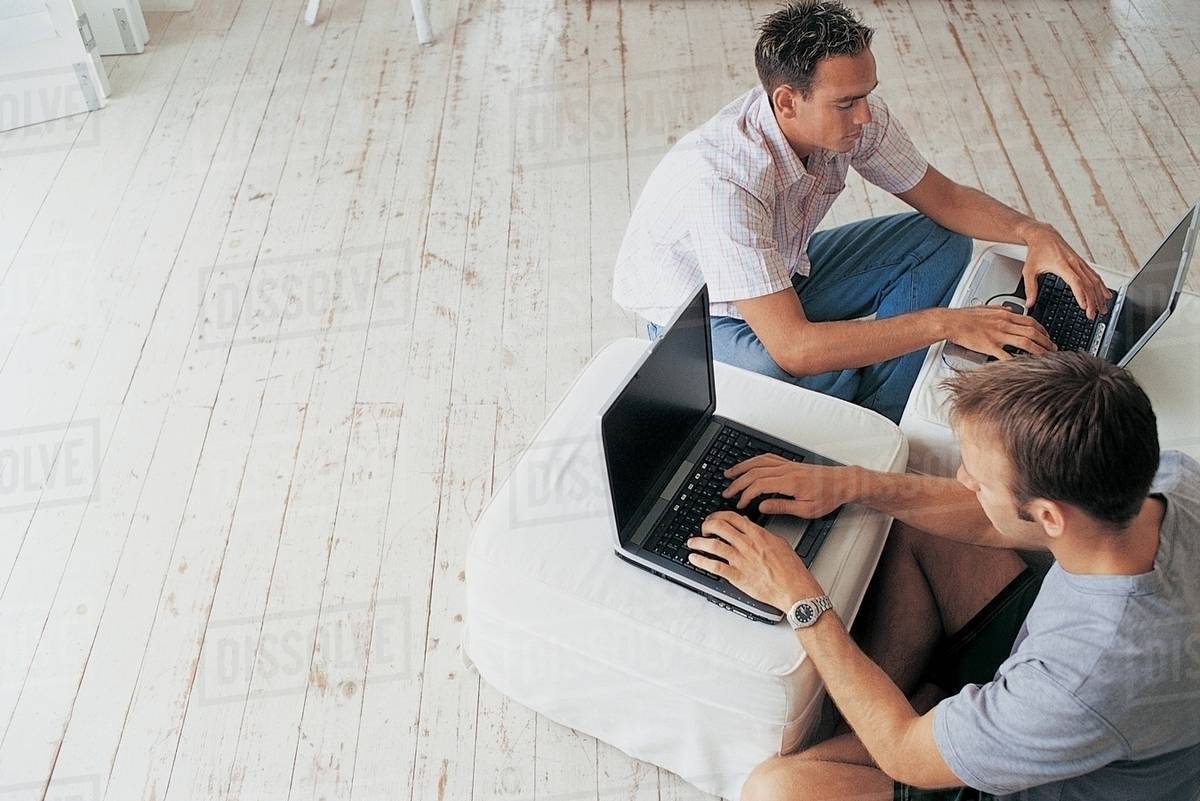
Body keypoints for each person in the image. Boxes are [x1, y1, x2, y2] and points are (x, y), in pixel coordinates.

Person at [683, 352, 1200, 800]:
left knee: (776, 791)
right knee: (914, 527)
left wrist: (799, 598)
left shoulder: (1085, 678)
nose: (963, 478)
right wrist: (848, 483)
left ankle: (921, 724)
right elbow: (989, 520)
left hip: (1045, 785)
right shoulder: (1175, 481)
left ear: (1049, 515)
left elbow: (907, 756)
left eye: (978, 476)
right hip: (1054, 681)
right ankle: (915, 713)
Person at [612, 1, 1111, 423]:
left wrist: (1034, 231)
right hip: (700, 314)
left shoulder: (849, 119)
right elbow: (793, 347)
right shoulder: (724, 180)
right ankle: (864, 401)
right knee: (798, 368)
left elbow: (945, 199)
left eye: (867, 95)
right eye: (847, 103)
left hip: (781, 272)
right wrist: (947, 323)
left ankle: (884, 408)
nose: (867, 116)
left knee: (940, 241)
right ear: (787, 101)